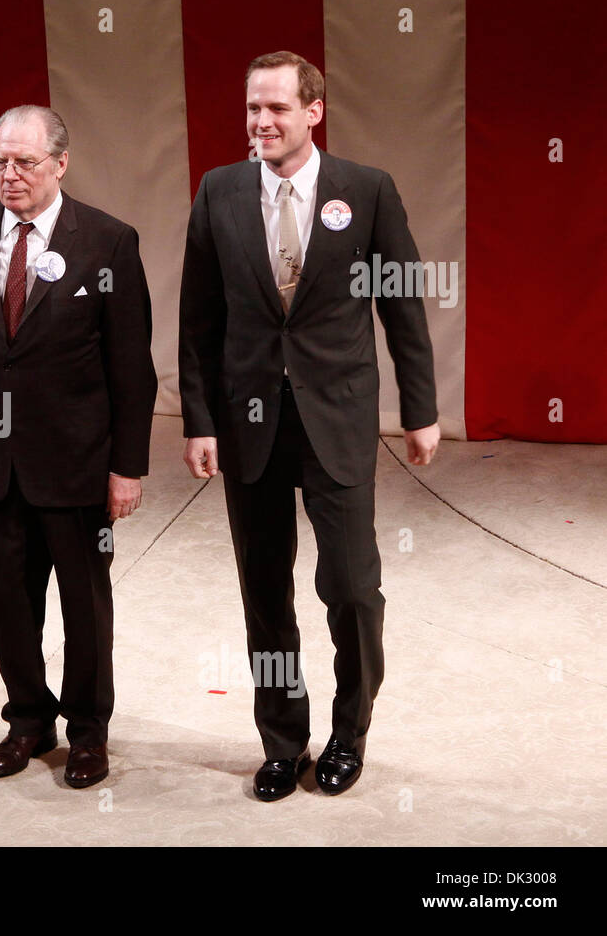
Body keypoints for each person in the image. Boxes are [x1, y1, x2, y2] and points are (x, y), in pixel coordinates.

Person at [179, 51, 439, 801]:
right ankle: (281, 739)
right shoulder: (218, 191)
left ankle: (349, 731)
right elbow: (199, 318)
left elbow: (403, 304)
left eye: (277, 110)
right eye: (253, 109)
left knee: (353, 588)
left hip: (340, 418)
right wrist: (200, 419)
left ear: (313, 112)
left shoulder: (366, 190)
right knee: (265, 593)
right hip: (249, 422)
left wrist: (418, 409)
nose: (261, 122)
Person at [0, 105, 156, 789]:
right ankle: (27, 720)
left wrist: (127, 467)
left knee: (83, 605)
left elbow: (131, 367)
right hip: (1, 463)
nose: (9, 175)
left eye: (24, 163)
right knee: (1, 599)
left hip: (78, 464)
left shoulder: (107, 241)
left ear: (59, 164)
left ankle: (88, 732)